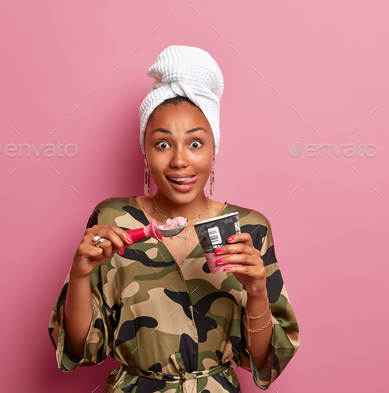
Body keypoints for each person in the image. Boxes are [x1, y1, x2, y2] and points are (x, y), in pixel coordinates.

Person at [48, 45, 300, 393]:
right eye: (163, 144)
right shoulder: (114, 219)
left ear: (215, 149)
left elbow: (264, 362)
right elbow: (79, 349)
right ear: (145, 150)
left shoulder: (248, 229)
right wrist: (79, 275)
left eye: (195, 144)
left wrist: (257, 291)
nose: (180, 161)